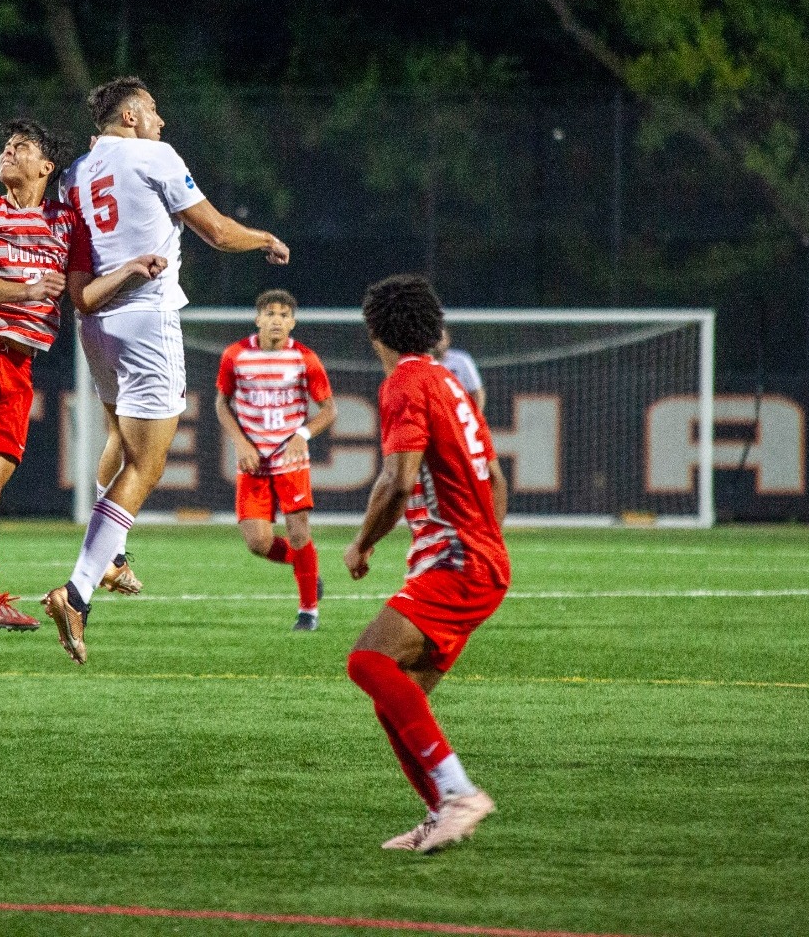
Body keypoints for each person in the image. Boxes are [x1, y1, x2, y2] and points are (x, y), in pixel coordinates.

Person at [42, 76, 291, 664]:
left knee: (117, 440)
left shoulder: (77, 170)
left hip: (96, 323)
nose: (161, 121)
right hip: (148, 318)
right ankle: (76, 591)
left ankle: (114, 555)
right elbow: (214, 230)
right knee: (147, 465)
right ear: (129, 116)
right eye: (153, 111)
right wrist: (264, 240)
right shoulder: (153, 154)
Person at [0, 120, 167, 667]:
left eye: (20, 147)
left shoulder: (67, 223)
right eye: (4, 146)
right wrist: (25, 289)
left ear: (47, 168)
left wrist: (132, 271)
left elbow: (81, 295)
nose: (7, 152)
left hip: (18, 370)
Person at [342, 274, 510, 853]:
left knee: (367, 662)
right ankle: (444, 813)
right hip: (477, 560)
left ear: (374, 333)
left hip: (458, 562)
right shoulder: (449, 381)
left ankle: (459, 792)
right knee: (398, 694)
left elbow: (398, 479)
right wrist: (486, 539)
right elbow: (492, 476)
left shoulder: (405, 384)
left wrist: (362, 544)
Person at [214, 289, 337, 629]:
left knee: (299, 532)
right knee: (257, 542)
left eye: (284, 315)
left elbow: (329, 410)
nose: (276, 320)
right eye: (270, 314)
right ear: (258, 319)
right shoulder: (235, 355)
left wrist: (302, 435)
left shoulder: (305, 359)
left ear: (292, 322)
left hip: (290, 460)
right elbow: (221, 404)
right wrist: (240, 443)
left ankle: (308, 611)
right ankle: (307, 572)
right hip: (252, 461)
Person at [436, 328, 486, 414]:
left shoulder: (461, 360)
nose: (438, 343)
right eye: (434, 339)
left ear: (448, 340)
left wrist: (476, 417)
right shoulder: (421, 363)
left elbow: (477, 392)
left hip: (458, 416)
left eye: (441, 338)